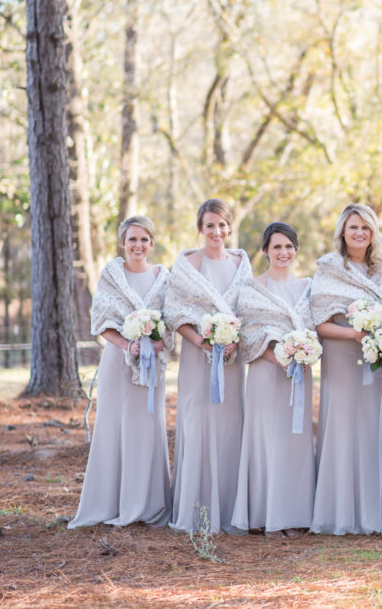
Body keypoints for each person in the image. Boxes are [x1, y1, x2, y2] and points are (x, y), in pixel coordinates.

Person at [70, 216, 172, 528]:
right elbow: (101, 322)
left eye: (144, 240)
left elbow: (172, 320)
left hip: (152, 365)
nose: (138, 246)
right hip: (118, 362)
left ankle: (148, 504)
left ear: (151, 243)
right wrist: (129, 345)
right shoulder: (112, 276)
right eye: (132, 240)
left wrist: (158, 342)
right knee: (114, 427)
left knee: (146, 426)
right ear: (123, 243)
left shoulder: (163, 278)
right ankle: (111, 502)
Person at [164, 199, 252, 534]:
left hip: (231, 359)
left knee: (228, 425)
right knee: (197, 420)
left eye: (222, 225)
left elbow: (250, 309)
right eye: (210, 225)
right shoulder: (187, 264)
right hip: (196, 357)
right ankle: (194, 510)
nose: (217, 231)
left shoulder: (241, 264)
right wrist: (202, 340)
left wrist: (234, 338)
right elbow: (174, 311)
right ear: (200, 228)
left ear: (230, 228)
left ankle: (229, 510)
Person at [309, 203, 382, 535]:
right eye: (353, 228)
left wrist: (380, 337)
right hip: (340, 357)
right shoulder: (328, 269)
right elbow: (319, 323)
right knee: (342, 427)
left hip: (374, 360)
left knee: (370, 427)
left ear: (373, 233)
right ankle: (338, 513)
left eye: (365, 228)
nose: (359, 233)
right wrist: (354, 333)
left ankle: (375, 512)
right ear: (343, 233)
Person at [231, 222, 316, 537]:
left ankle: (295, 514)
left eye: (289, 246)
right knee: (268, 439)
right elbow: (248, 331)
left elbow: (313, 327)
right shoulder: (253, 287)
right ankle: (266, 515)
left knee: (295, 440)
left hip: (298, 375)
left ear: (296, 250)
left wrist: (305, 354)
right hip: (267, 373)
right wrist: (277, 356)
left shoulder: (307, 286)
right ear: (266, 250)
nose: (283, 252)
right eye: (277, 246)